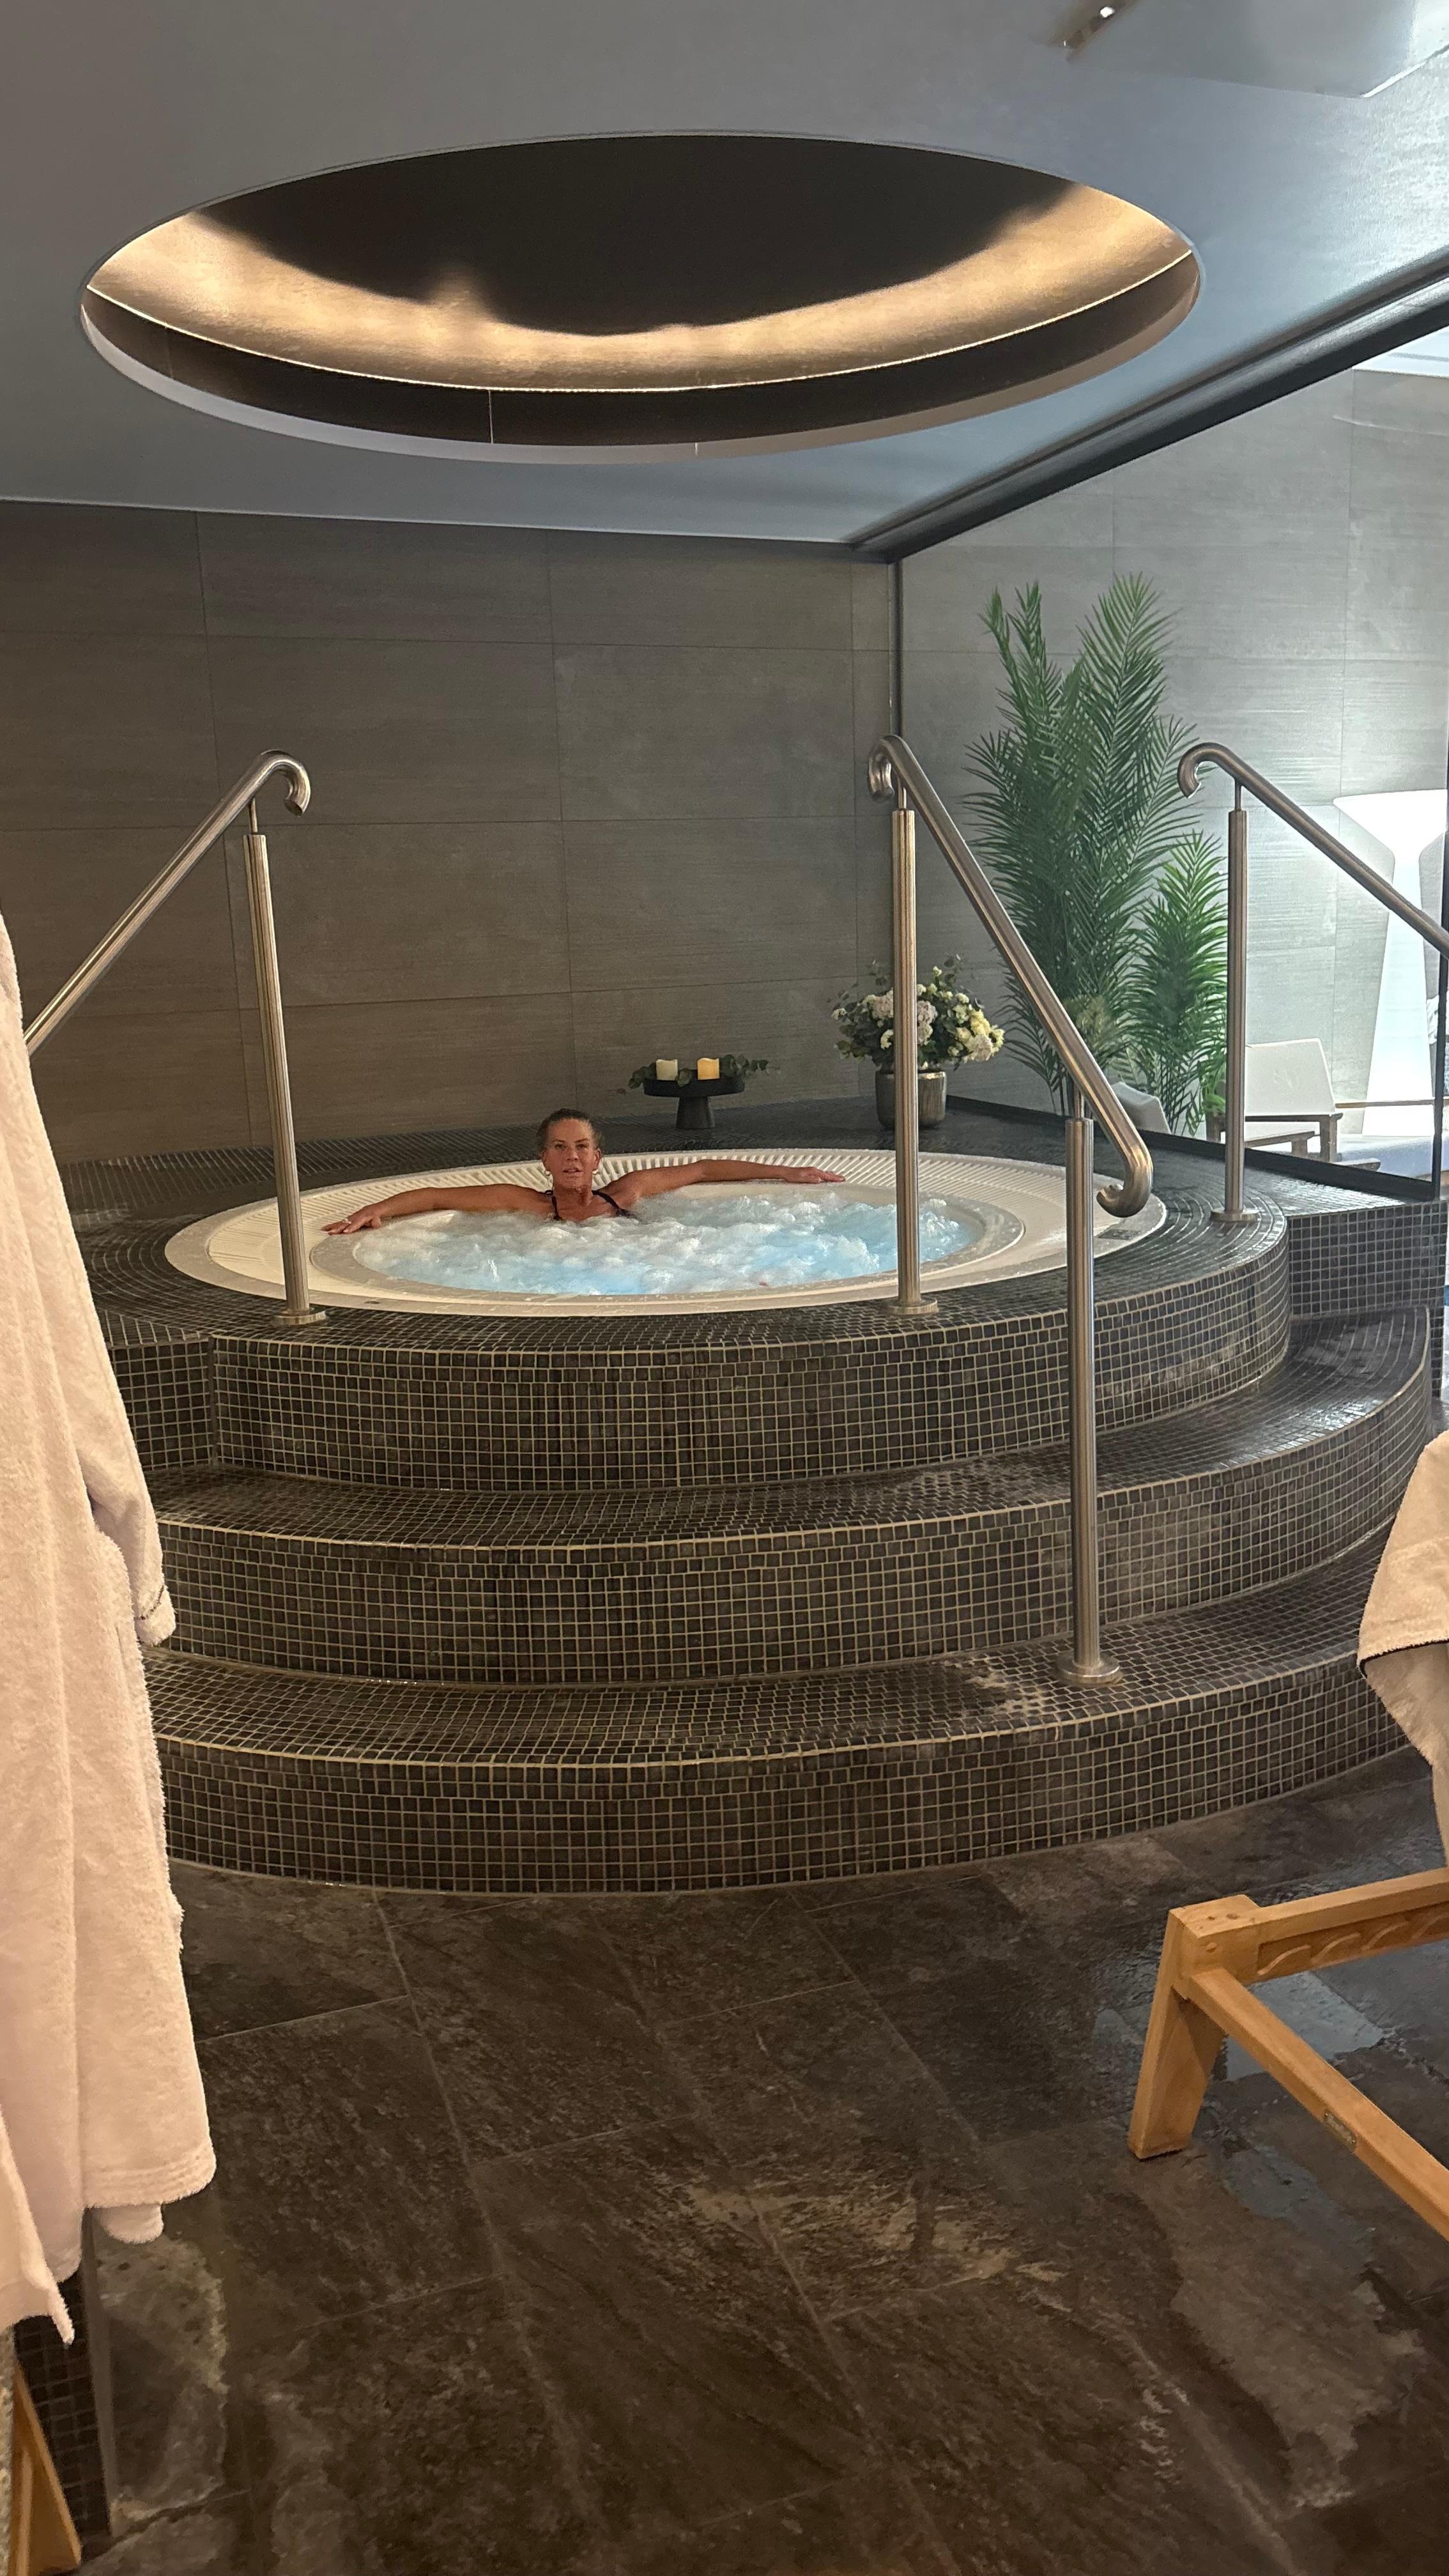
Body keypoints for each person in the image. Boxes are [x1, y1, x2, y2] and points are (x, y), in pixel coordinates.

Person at [324, 1109, 843, 1233]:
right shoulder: (527, 1204)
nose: (571, 1157)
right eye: (559, 1148)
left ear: (597, 1158)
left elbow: (703, 1168)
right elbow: (438, 1198)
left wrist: (786, 1173)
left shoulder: (626, 1193)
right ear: (544, 1159)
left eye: (581, 1147)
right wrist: (377, 1209)